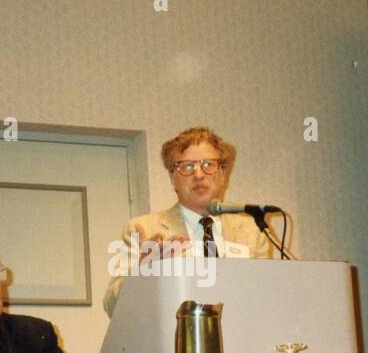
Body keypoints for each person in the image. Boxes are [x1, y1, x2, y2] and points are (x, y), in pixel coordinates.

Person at [103, 126, 273, 315]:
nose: (199, 175)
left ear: (223, 174)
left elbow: (269, 296)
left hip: (243, 339)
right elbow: (112, 307)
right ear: (172, 179)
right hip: (177, 341)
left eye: (208, 164)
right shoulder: (143, 229)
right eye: (187, 166)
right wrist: (142, 272)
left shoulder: (250, 229)